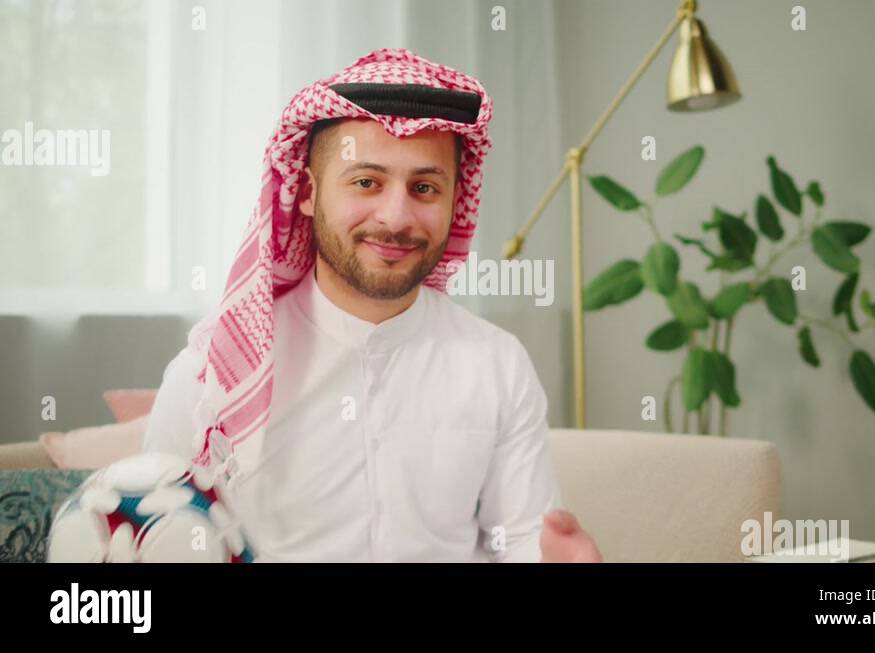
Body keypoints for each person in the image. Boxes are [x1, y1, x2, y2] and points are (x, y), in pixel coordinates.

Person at [144, 48, 601, 563]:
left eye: (425, 188)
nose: (396, 216)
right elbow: (156, 538)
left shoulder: (498, 362)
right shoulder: (214, 370)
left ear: (455, 200)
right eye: (367, 182)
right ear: (309, 193)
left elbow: (520, 539)